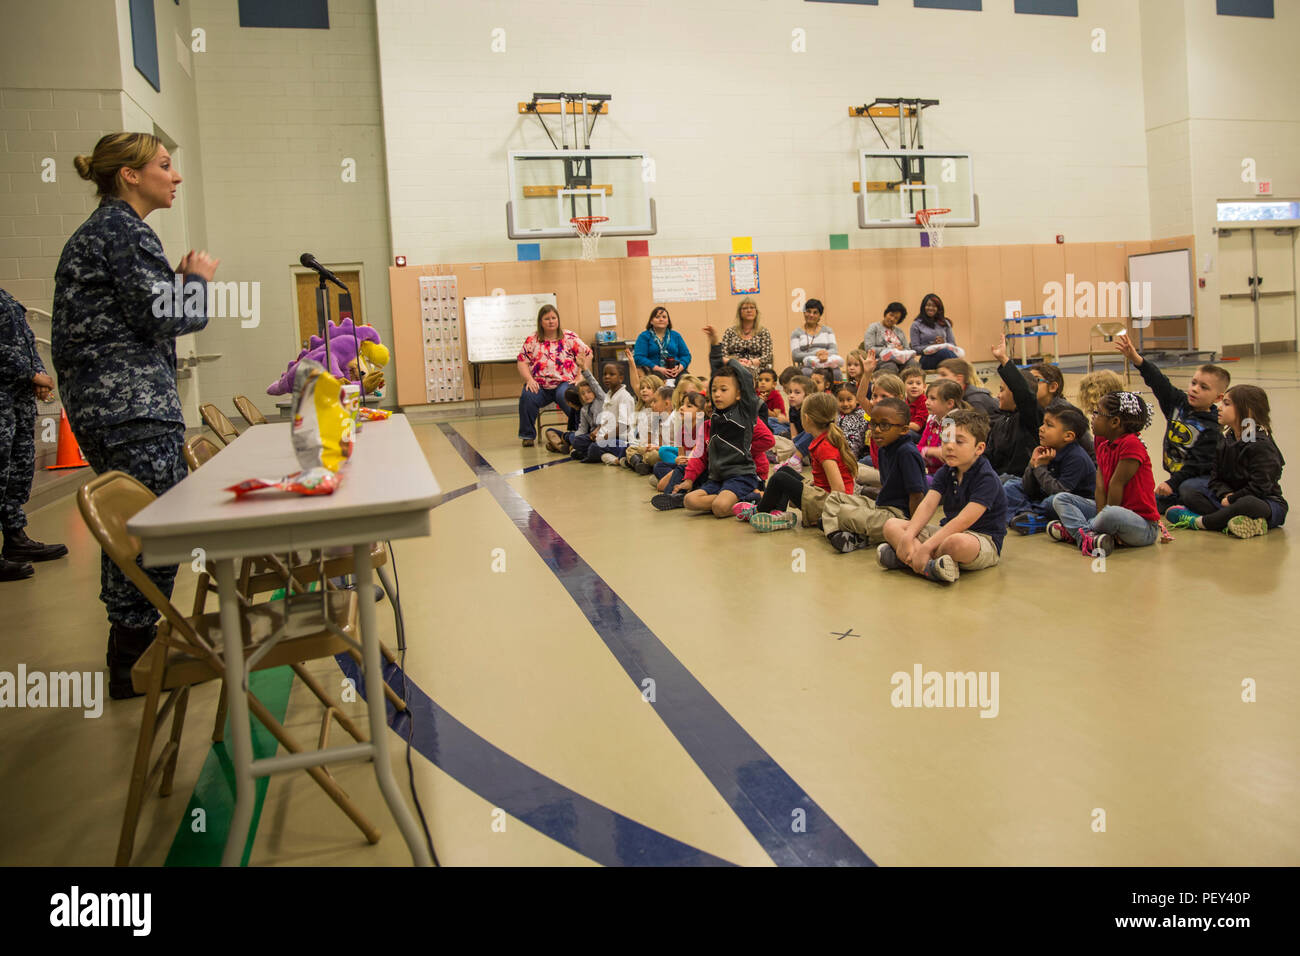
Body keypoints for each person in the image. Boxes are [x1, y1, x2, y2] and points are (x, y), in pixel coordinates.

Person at [52, 132, 218, 699]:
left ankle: (133, 649)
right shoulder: (123, 231)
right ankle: (133, 659)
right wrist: (194, 281)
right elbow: (169, 317)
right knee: (154, 530)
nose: (174, 177)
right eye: (165, 166)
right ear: (129, 174)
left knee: (142, 527)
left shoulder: (104, 233)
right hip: (130, 408)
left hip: (112, 407)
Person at [878, 407, 1008, 584]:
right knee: (891, 525)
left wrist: (926, 547)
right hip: (946, 533)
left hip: (980, 540)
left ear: (979, 448)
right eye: (945, 440)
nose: (949, 446)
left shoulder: (987, 478)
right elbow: (928, 505)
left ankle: (910, 559)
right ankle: (931, 566)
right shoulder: (946, 470)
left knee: (955, 543)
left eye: (959, 442)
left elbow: (962, 521)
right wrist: (909, 536)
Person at [1114, 333, 1228, 512]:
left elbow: (1196, 466)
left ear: (1218, 397)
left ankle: (1222, 513)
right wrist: (1136, 359)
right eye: (1194, 383)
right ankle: (1181, 503)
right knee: (1149, 503)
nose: (1195, 389)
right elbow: (1159, 382)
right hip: (1179, 477)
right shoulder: (1179, 403)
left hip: (1202, 479)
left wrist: (1171, 483)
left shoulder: (1212, 428)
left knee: (1188, 490)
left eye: (1204, 387)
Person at [658, 326, 763, 517]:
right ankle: (742, 499)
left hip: (741, 477)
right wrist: (689, 480)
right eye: (714, 390)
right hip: (717, 478)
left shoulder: (745, 411)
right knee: (690, 500)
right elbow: (716, 373)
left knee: (720, 508)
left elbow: (746, 379)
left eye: (724, 390)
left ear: (739, 394)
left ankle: (751, 496)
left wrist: (729, 359)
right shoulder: (715, 414)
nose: (717, 394)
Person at [1, 288, 68, 580]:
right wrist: (31, 374)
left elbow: (26, 340)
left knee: (17, 471)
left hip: (17, 399)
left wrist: (38, 371)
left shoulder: (5, 297)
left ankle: (15, 539)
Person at [1165, 385, 1287, 538]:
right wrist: (1226, 493)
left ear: (1247, 410)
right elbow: (1215, 477)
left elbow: (1260, 487)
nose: (1219, 407)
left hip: (1265, 502)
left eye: (1227, 404)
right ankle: (1242, 522)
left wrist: (1232, 499)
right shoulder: (1225, 438)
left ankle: (1201, 522)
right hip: (1230, 498)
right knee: (1189, 488)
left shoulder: (1261, 444)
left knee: (1248, 503)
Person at [1048, 392, 1160, 556]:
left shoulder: (1131, 443)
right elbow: (1100, 487)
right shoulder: (1102, 442)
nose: (1092, 416)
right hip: (1109, 511)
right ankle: (1087, 536)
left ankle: (1078, 532)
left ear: (1115, 422)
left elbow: (1116, 485)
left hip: (1141, 525)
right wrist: (1103, 520)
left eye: (1097, 412)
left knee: (1111, 514)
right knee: (1061, 499)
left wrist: (1105, 520)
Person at [821, 397, 928, 553]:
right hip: (882, 507)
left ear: (904, 430)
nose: (876, 430)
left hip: (899, 517)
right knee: (834, 499)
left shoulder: (907, 453)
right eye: (874, 424)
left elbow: (917, 495)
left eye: (884, 425)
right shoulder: (884, 448)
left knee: (843, 513)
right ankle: (841, 533)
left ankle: (848, 533)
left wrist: (913, 528)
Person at [738, 392, 853, 532]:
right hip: (824, 498)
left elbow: (839, 490)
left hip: (829, 506)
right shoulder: (823, 439)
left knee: (780, 478)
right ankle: (777, 513)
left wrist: (830, 517)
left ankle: (760, 510)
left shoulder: (825, 447)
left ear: (807, 419)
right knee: (785, 471)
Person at [1004, 401, 1096, 531]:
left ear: (1068, 436)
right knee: (1011, 486)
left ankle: (1032, 517)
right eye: (1043, 423)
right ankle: (1029, 516)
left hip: (1074, 504)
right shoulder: (1048, 449)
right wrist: (1033, 464)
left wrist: (1040, 468)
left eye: (1049, 425)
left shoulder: (1077, 458)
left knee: (1052, 501)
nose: (1041, 428)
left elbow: (1059, 492)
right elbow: (1028, 488)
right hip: (1046, 495)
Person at [516, 303, 592, 448]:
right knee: (527, 395)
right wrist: (529, 380)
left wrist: (580, 376)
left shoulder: (569, 337)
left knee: (566, 395)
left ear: (558, 320)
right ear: (541, 322)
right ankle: (527, 435)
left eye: (553, 318)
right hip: (540, 385)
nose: (551, 321)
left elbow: (588, 354)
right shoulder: (532, 339)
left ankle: (580, 429)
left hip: (564, 382)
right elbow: (522, 361)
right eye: (547, 319)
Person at [985, 335, 1043, 479]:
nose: (998, 395)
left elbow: (1023, 393)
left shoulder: (1031, 418)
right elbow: (988, 456)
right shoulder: (999, 421)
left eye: (1002, 390)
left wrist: (1004, 359)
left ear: (1015, 394)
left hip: (1021, 482)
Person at [918, 379, 968, 477]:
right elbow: (919, 448)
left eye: (932, 398)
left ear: (949, 403)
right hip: (934, 473)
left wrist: (926, 451)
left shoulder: (951, 423)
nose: (926, 402)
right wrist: (930, 451)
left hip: (949, 476)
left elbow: (946, 455)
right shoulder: (933, 421)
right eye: (927, 397)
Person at [632, 306, 691, 381]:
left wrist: (680, 368)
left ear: (668, 321)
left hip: (676, 372)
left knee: (688, 382)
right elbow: (638, 358)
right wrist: (658, 369)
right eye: (657, 317)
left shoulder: (676, 335)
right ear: (651, 321)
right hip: (653, 373)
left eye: (664, 317)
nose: (661, 319)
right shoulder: (644, 336)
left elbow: (686, 355)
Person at [862, 302, 918, 375]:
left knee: (913, 363)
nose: (892, 319)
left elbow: (907, 348)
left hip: (900, 360)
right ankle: (891, 386)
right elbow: (869, 348)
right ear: (886, 313)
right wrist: (891, 350)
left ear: (898, 321)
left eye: (896, 318)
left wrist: (901, 350)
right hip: (881, 360)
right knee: (890, 366)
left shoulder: (899, 331)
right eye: (891, 315)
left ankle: (910, 385)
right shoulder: (874, 327)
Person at [790, 298, 842, 376]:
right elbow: (796, 355)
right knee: (807, 373)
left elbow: (834, 350)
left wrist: (824, 354)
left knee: (837, 373)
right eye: (808, 311)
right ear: (804, 313)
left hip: (826, 363)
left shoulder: (828, 331)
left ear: (819, 316)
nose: (811, 315)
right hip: (807, 366)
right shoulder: (796, 333)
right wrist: (816, 354)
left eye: (815, 313)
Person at [720, 297, 773, 373]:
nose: (749, 310)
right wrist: (736, 363)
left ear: (756, 312)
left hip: (757, 369)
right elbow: (723, 355)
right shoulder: (730, 332)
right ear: (739, 312)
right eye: (745, 308)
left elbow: (768, 356)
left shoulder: (763, 332)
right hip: (733, 368)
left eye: (752, 308)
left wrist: (750, 362)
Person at [910, 294, 962, 369]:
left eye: (934, 306)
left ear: (938, 308)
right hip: (927, 359)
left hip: (945, 357)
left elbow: (953, 345)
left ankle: (959, 369)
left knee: (946, 352)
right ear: (923, 307)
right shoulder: (916, 324)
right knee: (945, 352)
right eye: (928, 305)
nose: (931, 308)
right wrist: (933, 346)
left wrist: (943, 343)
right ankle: (959, 370)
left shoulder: (945, 323)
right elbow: (915, 349)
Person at [901, 366, 928, 433]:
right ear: (903, 386)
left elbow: (917, 427)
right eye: (910, 383)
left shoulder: (925, 402)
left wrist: (897, 424)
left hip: (920, 436)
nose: (914, 386)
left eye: (918, 383)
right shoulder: (904, 401)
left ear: (924, 387)